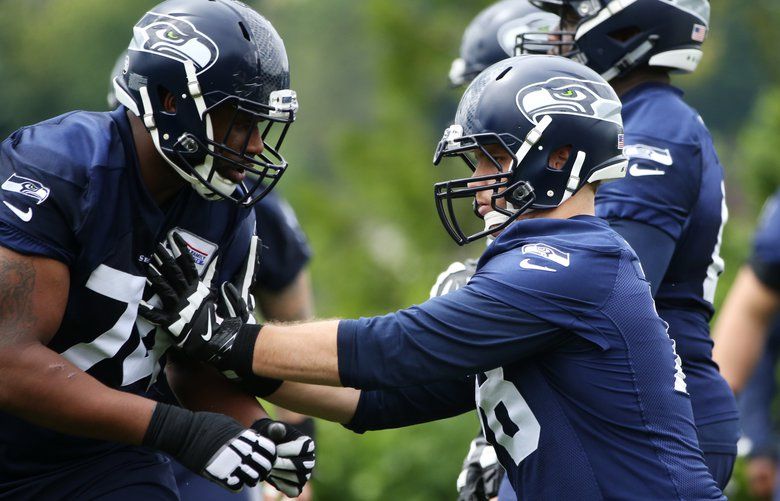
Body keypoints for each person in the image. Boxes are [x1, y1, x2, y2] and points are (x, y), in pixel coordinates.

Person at [144, 54, 725, 500]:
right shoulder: (555, 264)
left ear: (557, 157)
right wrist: (231, 360)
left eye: (491, 158)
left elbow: (398, 347)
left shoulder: (574, 263)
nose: (475, 183)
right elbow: (379, 399)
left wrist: (228, 336)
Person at [0, 0, 314, 498]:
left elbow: (189, 364)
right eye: (237, 119)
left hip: (102, 455)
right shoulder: (59, 169)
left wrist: (257, 430)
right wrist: (179, 430)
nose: (254, 145)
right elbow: (9, 363)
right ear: (170, 101)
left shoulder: (225, 211)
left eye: (260, 124)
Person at [517, 0, 738, 491]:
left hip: (653, 421)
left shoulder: (654, 129)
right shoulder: (626, 120)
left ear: (626, 26)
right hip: (622, 409)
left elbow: (601, 289)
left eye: (570, 20)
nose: (557, 35)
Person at [108, 49, 318, 501]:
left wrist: (284, 434)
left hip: (203, 435)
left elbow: (295, 322)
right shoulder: (74, 182)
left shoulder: (242, 206)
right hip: (102, 434)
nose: (256, 145)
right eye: (241, 122)